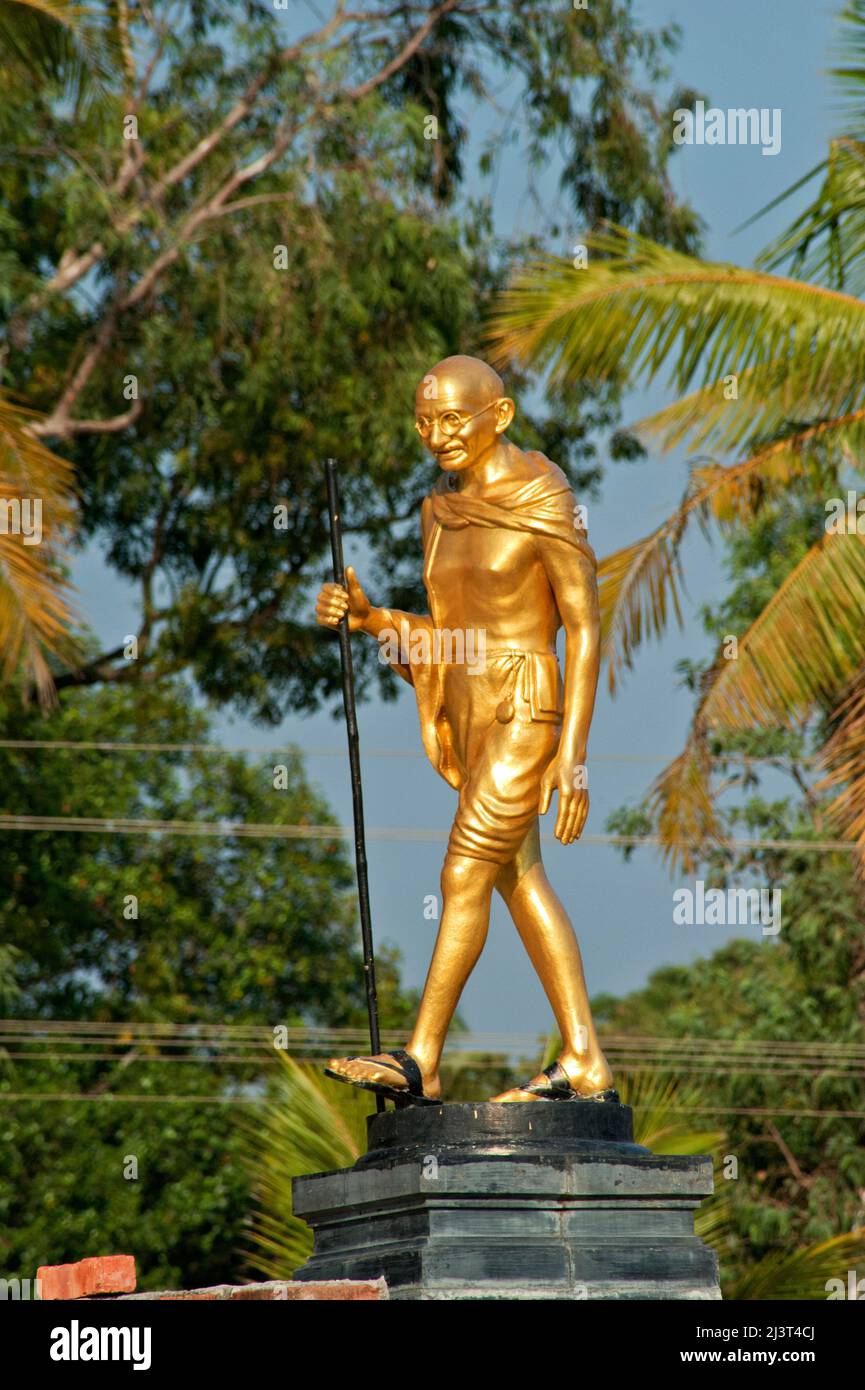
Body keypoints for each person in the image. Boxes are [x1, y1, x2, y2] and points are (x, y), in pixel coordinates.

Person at [315, 355, 614, 1104]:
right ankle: (583, 1059)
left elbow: (582, 628)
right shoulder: (437, 514)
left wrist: (571, 755)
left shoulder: (545, 500)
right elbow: (446, 639)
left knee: (462, 871)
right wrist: (371, 617)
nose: (437, 436)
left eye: (452, 419)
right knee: (518, 877)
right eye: (424, 423)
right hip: (473, 707)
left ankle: (421, 1058)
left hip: (526, 706)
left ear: (499, 415)